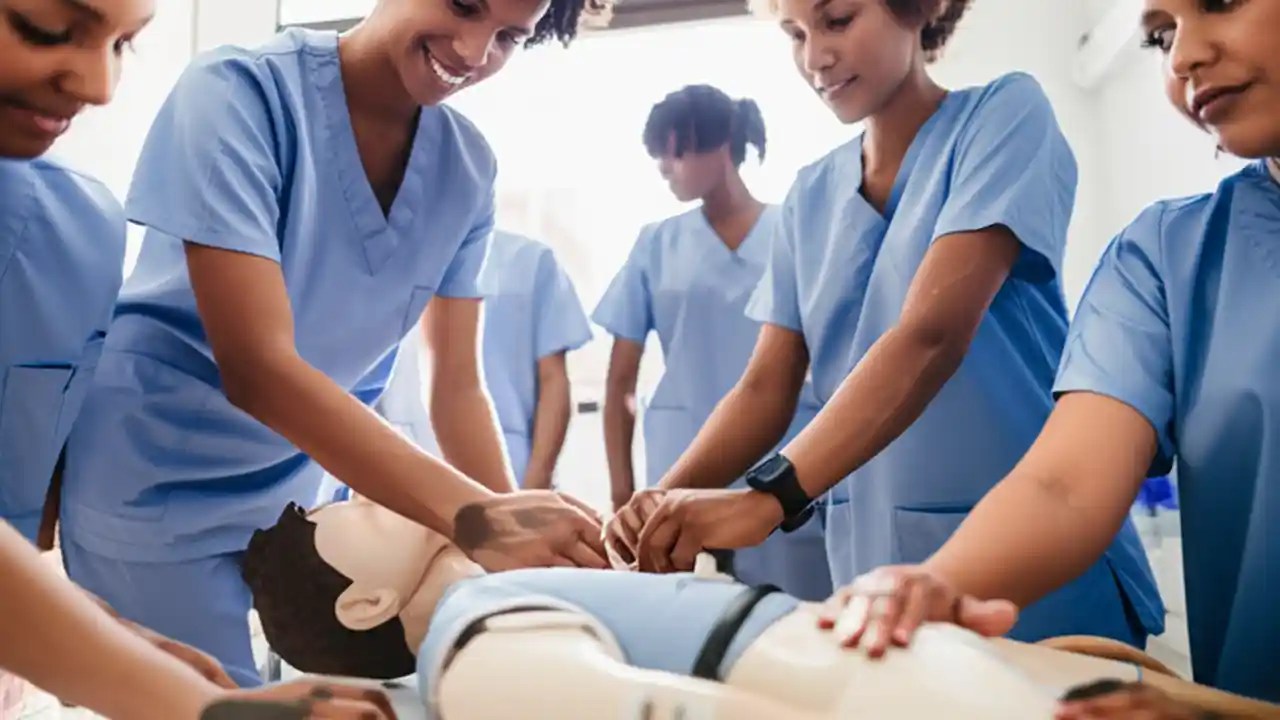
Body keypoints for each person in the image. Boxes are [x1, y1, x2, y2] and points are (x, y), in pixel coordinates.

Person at [56, 0, 611, 689]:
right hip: (153, 479)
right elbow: (257, 368)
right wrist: (475, 517)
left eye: (508, 37)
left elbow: (459, 386)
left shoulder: (467, 169)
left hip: (297, 501)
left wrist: (518, 540)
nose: (473, 52)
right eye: (464, 7)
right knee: (200, 700)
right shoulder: (237, 94)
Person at [608, 0, 1164, 647]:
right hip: (876, 580)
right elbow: (765, 387)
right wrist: (653, 510)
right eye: (795, 34)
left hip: (1033, 565)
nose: (814, 57)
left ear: (922, 7)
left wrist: (766, 498)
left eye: (837, 20)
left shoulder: (1003, 118)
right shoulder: (810, 196)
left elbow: (932, 335)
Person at [821, 0, 1280, 706]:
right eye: (1161, 36)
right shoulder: (1164, 258)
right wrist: (933, 585)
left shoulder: (1004, 117)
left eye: (1218, 2)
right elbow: (1064, 484)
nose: (1183, 56)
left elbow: (932, 332)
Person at [0, 2, 395, 716]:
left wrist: (104, 640)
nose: (99, 86)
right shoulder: (235, 95)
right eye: (44, 29)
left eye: (126, 44)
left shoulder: (76, 235)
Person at [239, 497, 1280, 720]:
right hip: (864, 686)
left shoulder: (511, 591)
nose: (357, 491)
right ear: (370, 598)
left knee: (1113, 668)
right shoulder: (479, 630)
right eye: (340, 515)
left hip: (896, 662)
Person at [593, 85, 831, 600]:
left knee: (801, 619)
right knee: (689, 620)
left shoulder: (795, 232)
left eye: (675, 151)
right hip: (681, 460)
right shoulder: (655, 243)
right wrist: (623, 492)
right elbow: (620, 386)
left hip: (786, 455)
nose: (663, 166)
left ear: (722, 143)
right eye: (657, 154)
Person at [373, 228, 593, 490]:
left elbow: (553, 380)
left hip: (505, 459)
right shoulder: (388, 259)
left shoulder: (531, 261)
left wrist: (536, 484)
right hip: (401, 458)